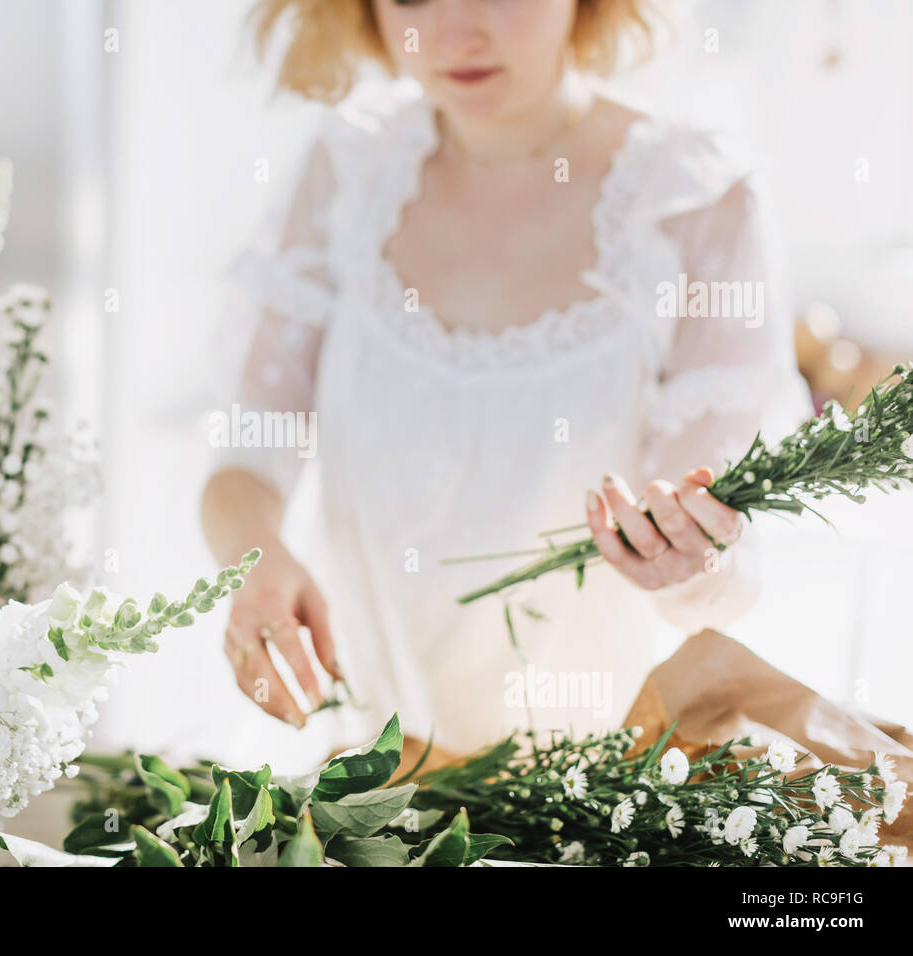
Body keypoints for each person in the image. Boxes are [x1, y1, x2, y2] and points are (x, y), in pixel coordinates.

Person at [200, 0, 812, 755]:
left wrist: (688, 559)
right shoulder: (348, 169)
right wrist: (259, 562)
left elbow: (727, 567)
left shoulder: (697, 199)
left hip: (608, 798)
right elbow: (248, 455)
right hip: (383, 785)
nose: (457, 34)